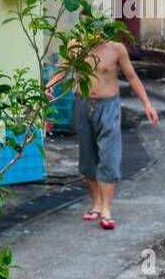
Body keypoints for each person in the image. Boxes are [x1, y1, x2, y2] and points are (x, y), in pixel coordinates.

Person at [46, 38, 158, 230]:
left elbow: (131, 77)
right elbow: (63, 71)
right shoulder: (75, 45)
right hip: (82, 104)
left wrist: (147, 103)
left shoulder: (116, 48)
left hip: (108, 107)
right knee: (88, 156)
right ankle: (96, 204)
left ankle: (106, 208)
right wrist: (49, 85)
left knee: (109, 155)